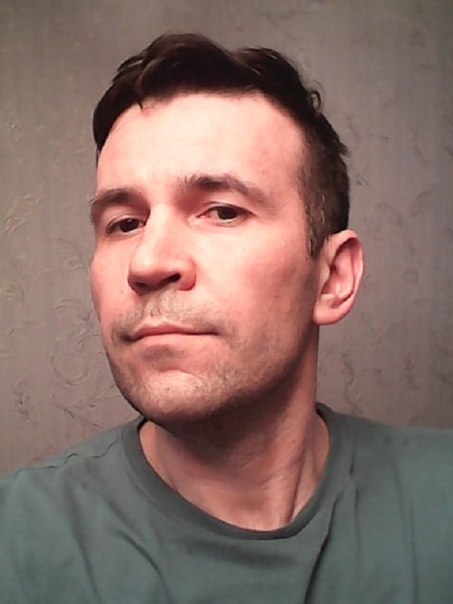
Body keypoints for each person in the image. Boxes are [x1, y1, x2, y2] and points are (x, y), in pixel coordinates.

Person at [1, 33, 452, 604]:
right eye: (125, 223)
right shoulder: (18, 544)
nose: (147, 262)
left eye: (222, 212)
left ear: (333, 278)